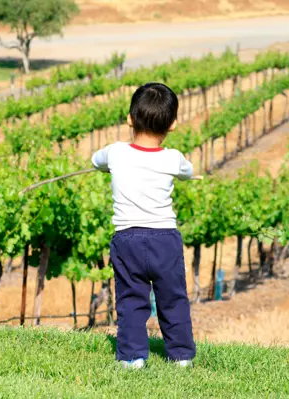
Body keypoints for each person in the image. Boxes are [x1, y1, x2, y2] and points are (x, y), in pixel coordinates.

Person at [92, 82, 197, 369]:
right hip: (164, 239)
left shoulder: (115, 152)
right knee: (173, 298)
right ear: (172, 125)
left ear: (129, 118)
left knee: (130, 299)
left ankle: (132, 357)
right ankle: (181, 356)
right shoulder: (173, 158)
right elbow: (188, 172)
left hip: (127, 239)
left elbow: (95, 160)